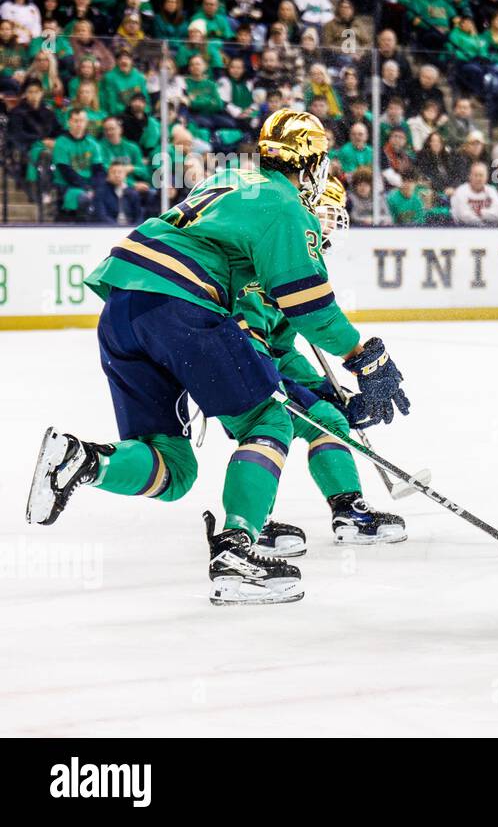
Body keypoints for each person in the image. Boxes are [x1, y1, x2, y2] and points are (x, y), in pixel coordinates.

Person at [26, 110, 412, 606]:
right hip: (183, 302)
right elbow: (313, 311)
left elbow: (282, 335)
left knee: (174, 469)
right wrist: (367, 359)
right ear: (310, 162)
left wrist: (324, 391)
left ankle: (83, 460)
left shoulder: (234, 178)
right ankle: (234, 553)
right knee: (268, 421)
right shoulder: (285, 208)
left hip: (126, 303)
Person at [232, 176, 407, 553]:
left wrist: (324, 388)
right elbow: (257, 335)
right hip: (232, 357)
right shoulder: (272, 258)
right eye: (325, 214)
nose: (330, 224)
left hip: (248, 355)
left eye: (335, 215)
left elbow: (280, 346)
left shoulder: (291, 256)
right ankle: (251, 525)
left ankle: (343, 511)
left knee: (325, 414)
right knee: (280, 423)